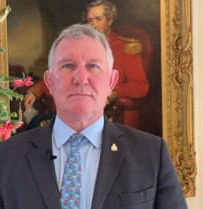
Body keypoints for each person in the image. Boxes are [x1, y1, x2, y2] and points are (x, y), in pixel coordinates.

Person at [0, 24, 195, 209]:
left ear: (111, 81)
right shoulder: (6, 157)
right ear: (50, 82)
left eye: (93, 66)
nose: (81, 78)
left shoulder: (152, 153)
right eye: (67, 66)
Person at [23, 0, 149, 130]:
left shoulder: (125, 47)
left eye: (98, 19)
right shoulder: (77, 45)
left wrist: (112, 95)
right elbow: (62, 76)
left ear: (110, 20)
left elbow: (140, 85)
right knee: (38, 125)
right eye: (90, 20)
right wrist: (34, 92)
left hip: (105, 116)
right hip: (69, 115)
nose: (93, 25)